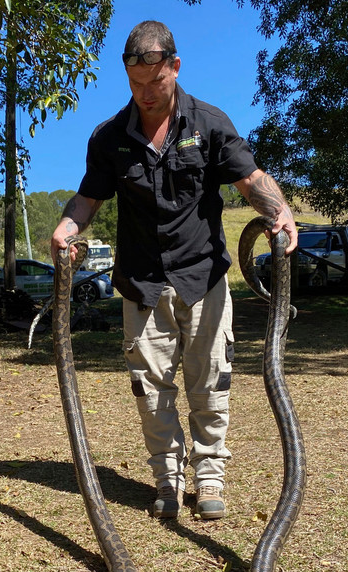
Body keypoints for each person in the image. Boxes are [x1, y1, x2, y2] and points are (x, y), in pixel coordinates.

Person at [51, 20, 296, 520]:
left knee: (211, 383)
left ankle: (210, 478)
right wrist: (66, 228)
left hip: (203, 278)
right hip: (141, 283)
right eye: (135, 84)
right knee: (151, 391)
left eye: (155, 82)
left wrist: (280, 212)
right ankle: (167, 480)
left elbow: (250, 178)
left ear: (175, 67)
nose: (146, 93)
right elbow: (88, 198)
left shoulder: (209, 123)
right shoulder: (109, 138)